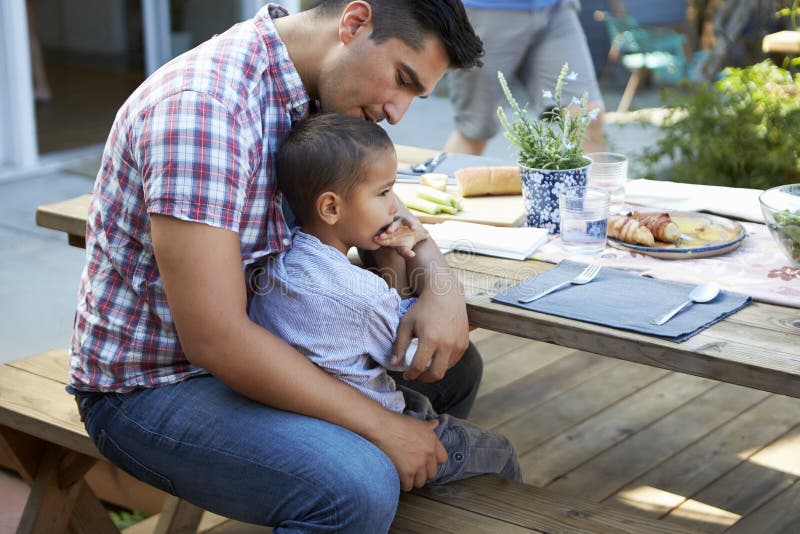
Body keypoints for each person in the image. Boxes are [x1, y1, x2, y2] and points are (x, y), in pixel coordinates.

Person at [68, 1, 484, 531]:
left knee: (448, 363)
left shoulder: (322, 90)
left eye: (415, 94)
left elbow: (380, 205)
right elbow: (215, 339)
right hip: (157, 385)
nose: (397, 112)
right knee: (354, 488)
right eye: (401, 80)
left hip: (271, 338)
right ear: (354, 24)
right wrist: (382, 427)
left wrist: (440, 284)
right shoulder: (204, 109)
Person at [250, 113, 522, 486]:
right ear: (330, 208)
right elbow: (420, 355)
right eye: (383, 193)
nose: (395, 206)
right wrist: (423, 253)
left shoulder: (278, 263)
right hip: (366, 432)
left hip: (301, 422)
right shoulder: (361, 295)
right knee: (498, 450)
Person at [444, 0, 605, 156]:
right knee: (474, 130)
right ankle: (440, 181)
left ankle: (591, 183)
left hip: (554, 9)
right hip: (486, 10)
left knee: (587, 115)